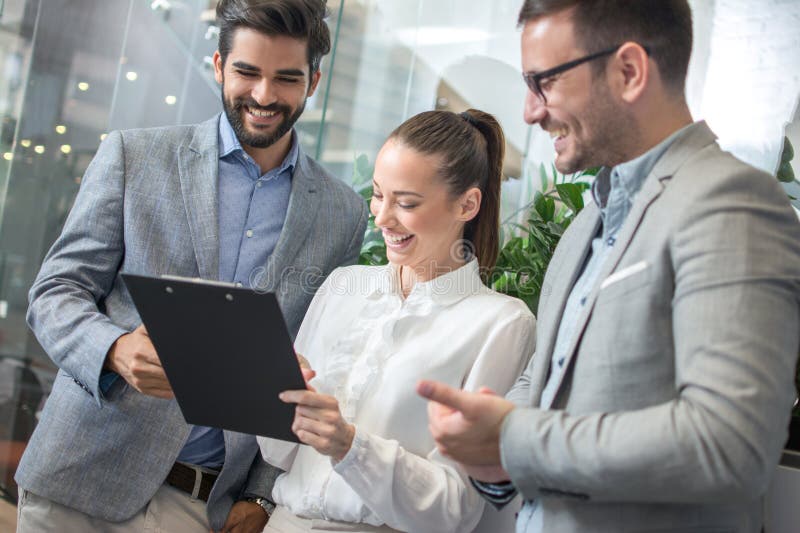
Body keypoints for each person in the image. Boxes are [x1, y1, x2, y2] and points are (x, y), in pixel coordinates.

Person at [417, 1, 800, 532]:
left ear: (628, 71)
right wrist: (486, 452)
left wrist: (513, 439)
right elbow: (545, 388)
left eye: (543, 81)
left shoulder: (734, 202)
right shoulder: (586, 222)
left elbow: (727, 445)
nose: (529, 111)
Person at [16, 1, 367, 532]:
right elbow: (54, 292)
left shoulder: (342, 212)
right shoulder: (134, 157)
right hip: (82, 478)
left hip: (205, 507)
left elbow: (318, 358)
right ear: (219, 65)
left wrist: (263, 493)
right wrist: (112, 349)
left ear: (313, 81)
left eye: (287, 79)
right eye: (247, 72)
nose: (265, 96)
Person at [257, 109, 536, 532]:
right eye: (378, 194)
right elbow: (280, 455)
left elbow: (457, 507)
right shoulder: (341, 287)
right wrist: (278, 399)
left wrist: (349, 445)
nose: (382, 217)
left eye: (406, 203)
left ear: (467, 203)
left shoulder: (501, 324)